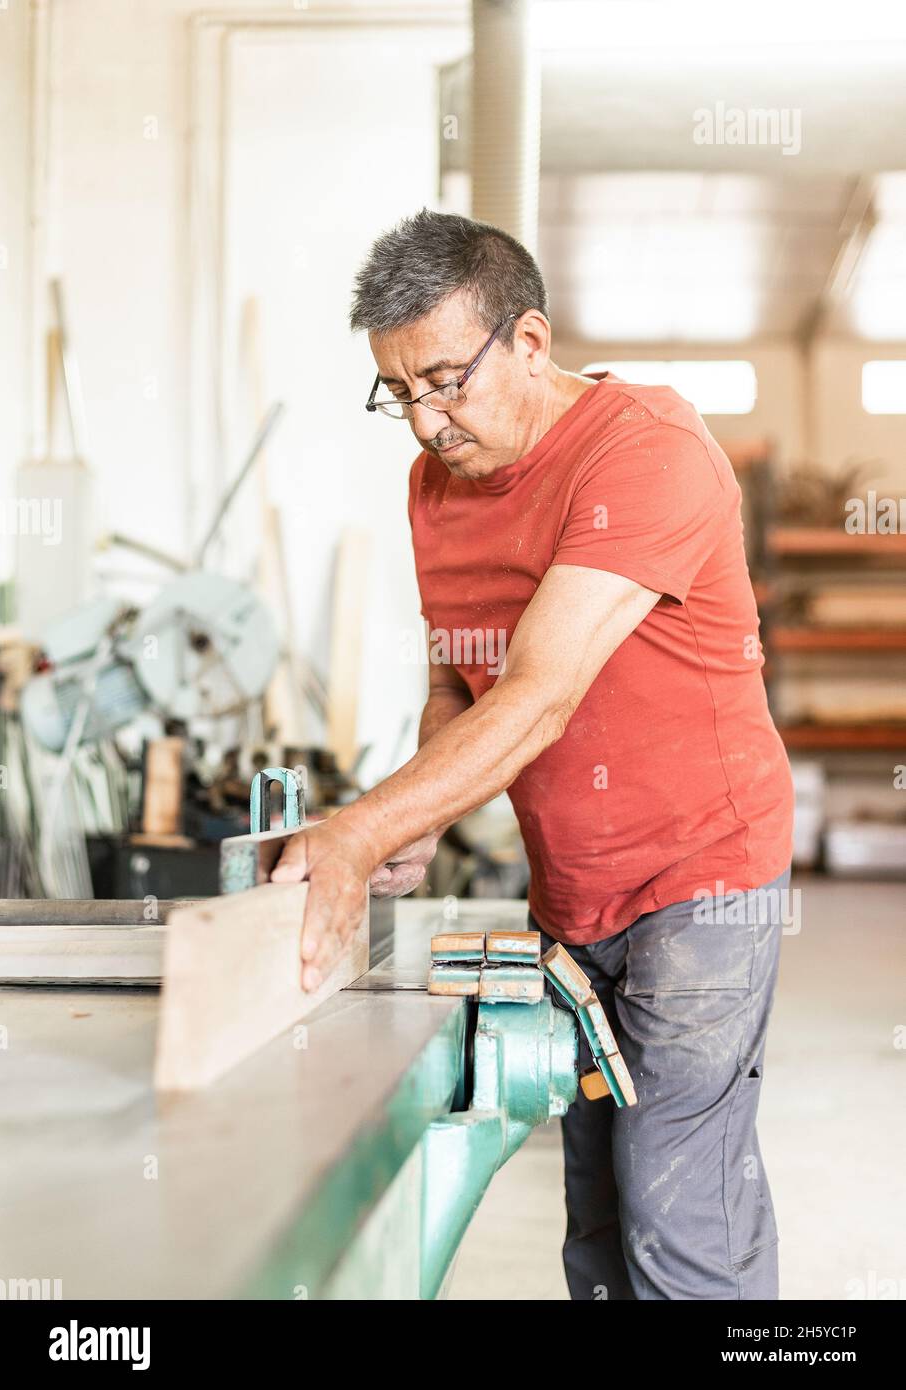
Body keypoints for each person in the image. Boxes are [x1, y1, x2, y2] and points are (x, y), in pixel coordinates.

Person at [272, 208, 794, 1300]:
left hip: (704, 879)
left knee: (679, 1209)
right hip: (575, 891)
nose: (424, 423)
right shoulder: (435, 487)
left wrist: (357, 834)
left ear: (530, 342)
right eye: (397, 392)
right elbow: (455, 684)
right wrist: (413, 822)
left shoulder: (649, 450)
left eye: (445, 380)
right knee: (598, 1218)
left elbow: (542, 692)